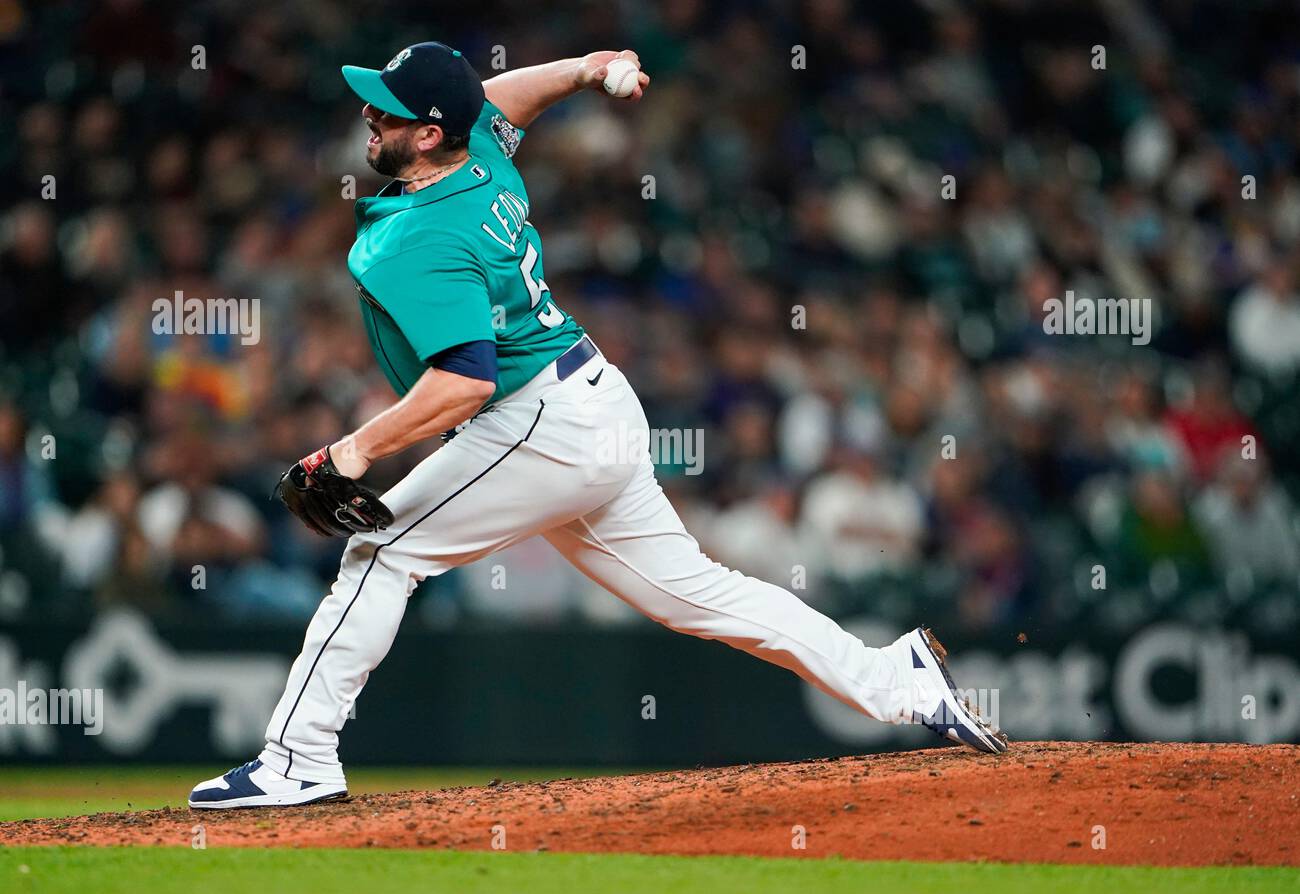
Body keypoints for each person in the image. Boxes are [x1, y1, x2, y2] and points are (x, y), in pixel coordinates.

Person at [189, 43, 1004, 810]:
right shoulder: (482, 159)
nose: (370, 119)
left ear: (431, 134)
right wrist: (586, 66)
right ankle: (899, 681)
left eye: (387, 113)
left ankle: (297, 760)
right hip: (593, 402)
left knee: (381, 552)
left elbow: (465, 381)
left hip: (534, 420)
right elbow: (500, 100)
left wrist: (353, 450)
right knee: (698, 595)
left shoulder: (421, 237)